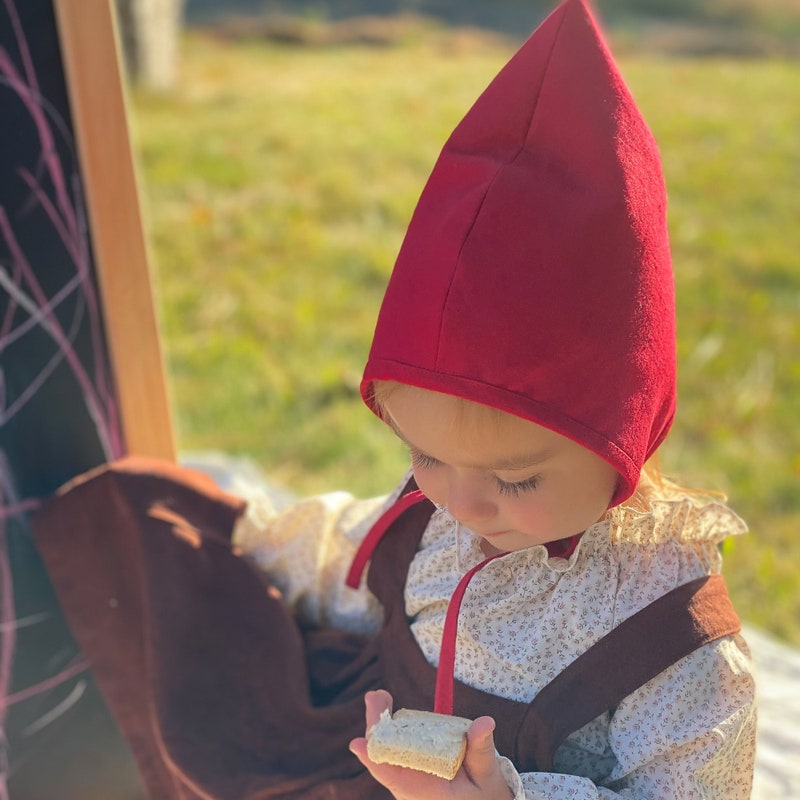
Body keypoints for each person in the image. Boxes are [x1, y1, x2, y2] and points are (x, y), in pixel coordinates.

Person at [31, 0, 756, 797]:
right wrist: (231, 536)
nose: (464, 504)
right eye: (425, 456)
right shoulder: (436, 514)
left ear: (623, 441)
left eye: (516, 480)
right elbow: (349, 554)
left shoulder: (672, 643)